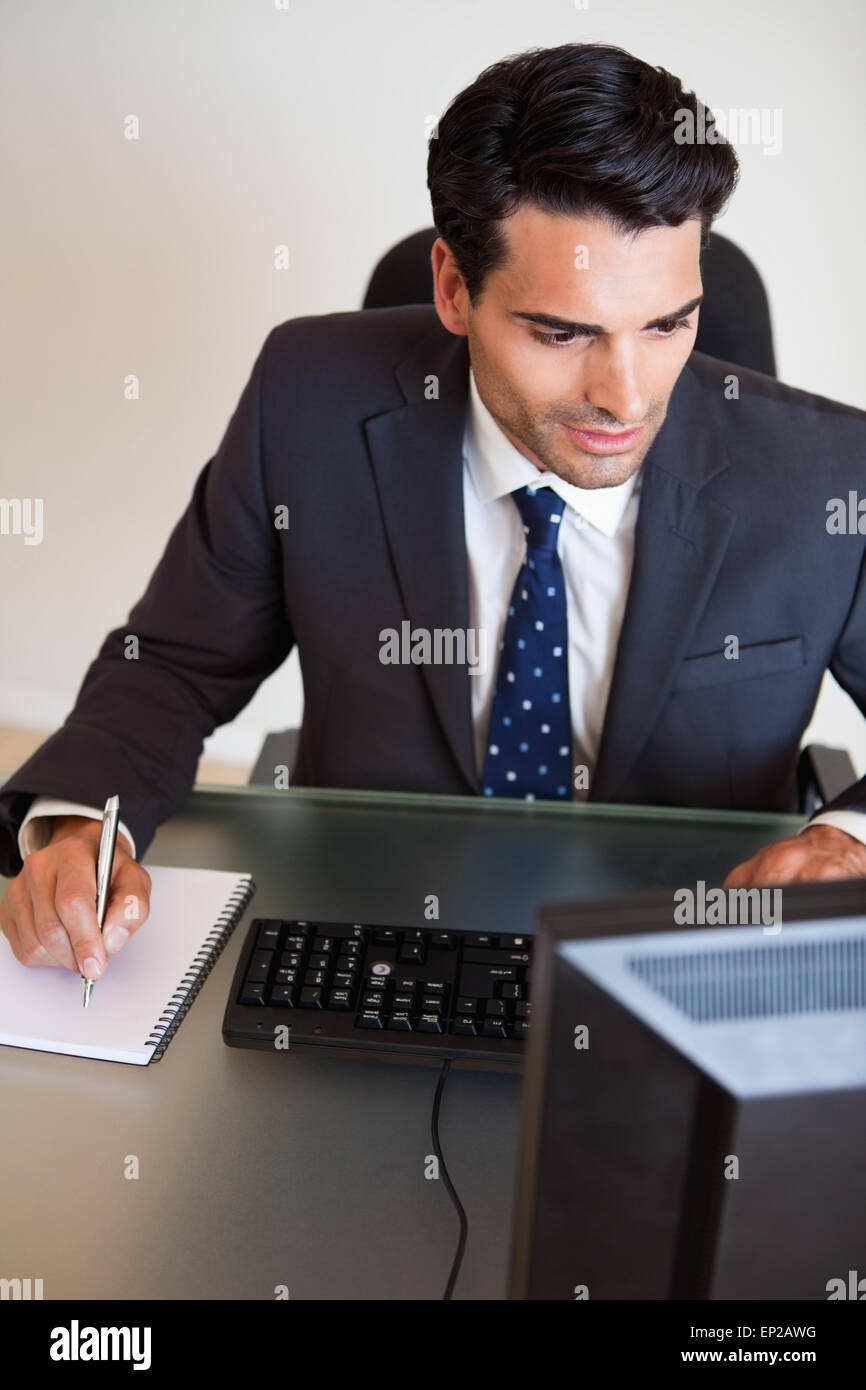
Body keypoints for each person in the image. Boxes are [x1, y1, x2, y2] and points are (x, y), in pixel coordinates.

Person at [2, 42, 866, 984]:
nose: (626, 397)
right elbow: (173, 664)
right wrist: (81, 816)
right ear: (454, 287)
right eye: (563, 331)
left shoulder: (826, 473)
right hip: (368, 946)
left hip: (693, 960)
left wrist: (849, 840)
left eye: (668, 324)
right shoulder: (305, 401)